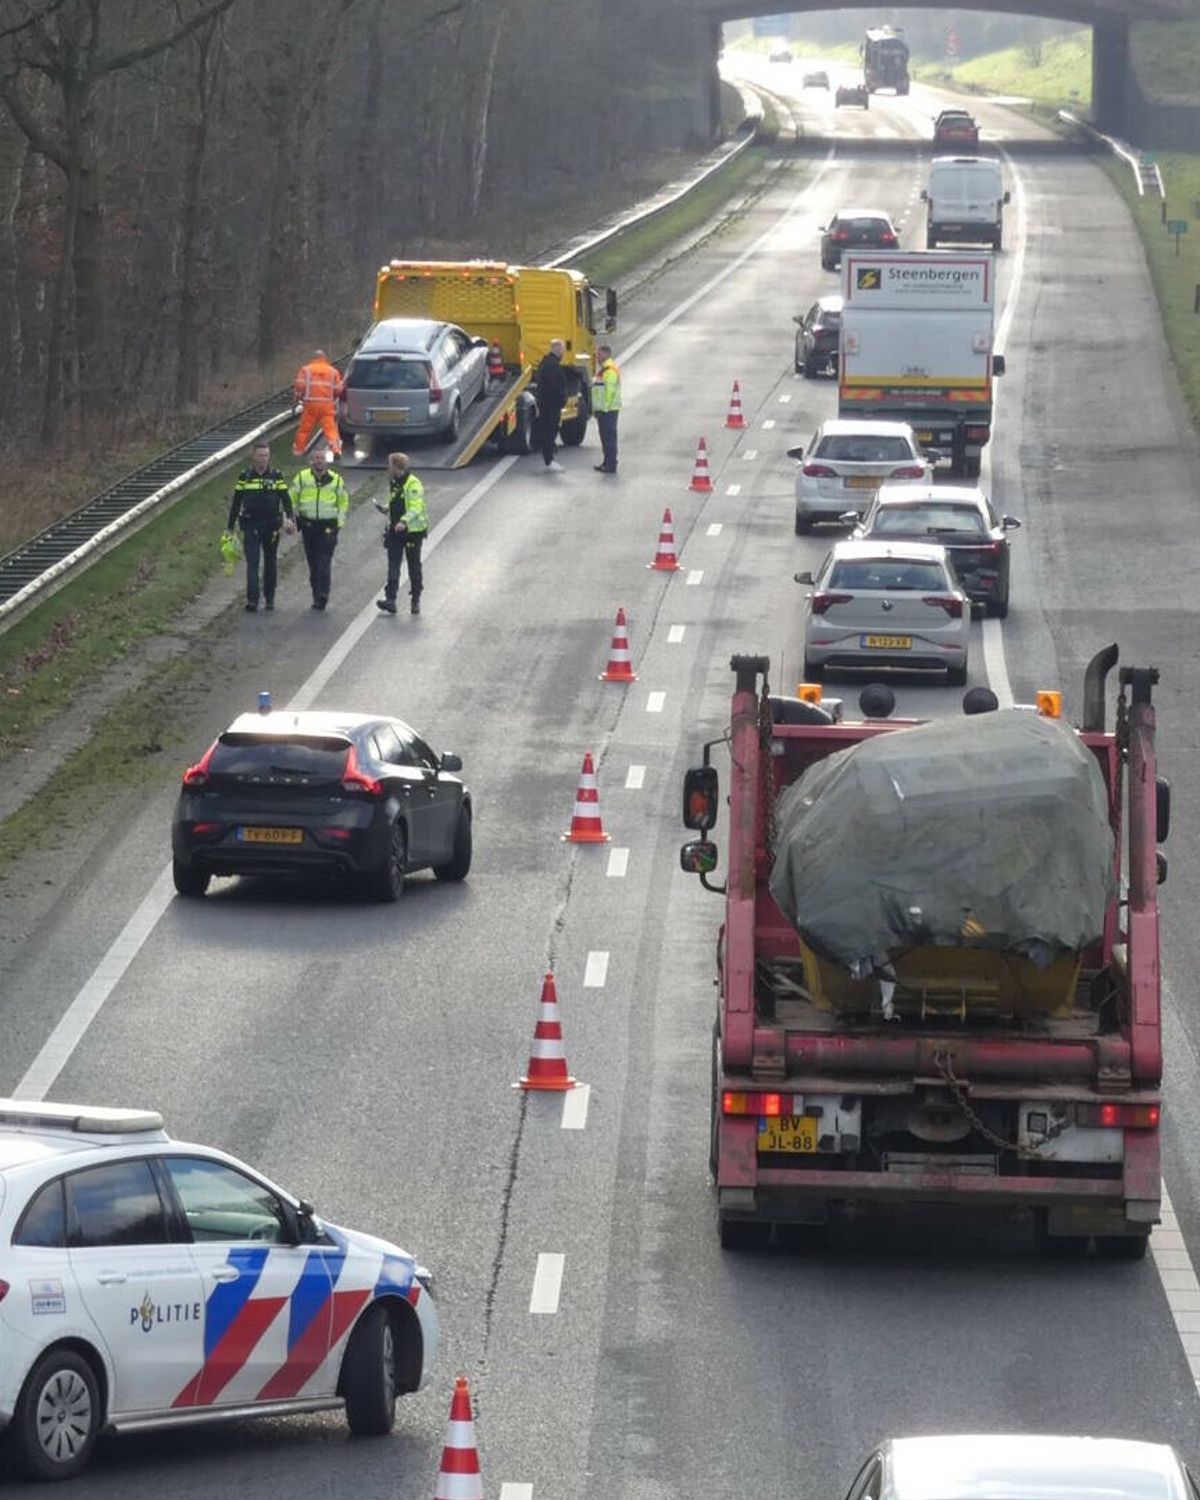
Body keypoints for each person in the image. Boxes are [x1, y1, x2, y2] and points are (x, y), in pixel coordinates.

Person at [226, 441, 294, 612]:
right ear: (253, 457)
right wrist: (230, 526)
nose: (263, 459)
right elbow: (236, 502)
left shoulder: (276, 476)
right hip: (251, 524)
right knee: (252, 563)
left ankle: (269, 598)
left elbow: (286, 499)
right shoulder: (245, 476)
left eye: (266, 456)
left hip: (272, 525)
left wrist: (290, 518)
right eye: (260, 456)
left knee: (270, 563)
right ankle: (252, 600)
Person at [290, 449, 348, 609]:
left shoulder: (336, 480)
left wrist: (339, 522)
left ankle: (323, 595)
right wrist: (290, 518)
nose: (320, 461)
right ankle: (316, 593)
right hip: (308, 526)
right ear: (311, 461)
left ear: (326, 461)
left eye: (322, 458)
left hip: (328, 526)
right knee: (313, 563)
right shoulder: (302, 478)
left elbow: (343, 502)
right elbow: (292, 498)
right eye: (317, 458)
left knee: (324, 561)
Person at [376, 452, 429, 616]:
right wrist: (386, 508)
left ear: (397, 467)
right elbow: (397, 502)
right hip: (395, 531)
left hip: (413, 532)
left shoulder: (413, 484)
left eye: (389, 465)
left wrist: (404, 521)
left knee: (414, 565)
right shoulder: (395, 482)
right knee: (393, 565)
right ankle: (390, 599)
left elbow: (415, 506)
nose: (388, 468)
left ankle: (415, 599)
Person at [292, 349, 344, 459]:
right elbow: (338, 390)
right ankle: (335, 449)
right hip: (327, 406)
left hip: (310, 405)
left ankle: (298, 451)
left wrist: (296, 402)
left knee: (304, 429)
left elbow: (299, 387)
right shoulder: (333, 371)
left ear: (313, 358)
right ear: (324, 358)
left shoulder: (306, 370)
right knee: (330, 429)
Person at [534, 338, 567, 471]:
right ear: (557, 349)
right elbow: (555, 387)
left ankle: (549, 458)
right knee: (550, 431)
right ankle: (549, 461)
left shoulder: (546, 363)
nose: (564, 352)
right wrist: (561, 400)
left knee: (549, 431)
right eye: (563, 349)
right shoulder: (552, 366)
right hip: (551, 405)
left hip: (546, 403)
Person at [591, 343, 621, 474]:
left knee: (609, 437)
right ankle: (607, 461)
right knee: (605, 437)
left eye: (599, 354)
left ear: (605, 354)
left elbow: (609, 391)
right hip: (604, 409)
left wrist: (604, 408)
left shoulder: (610, 370)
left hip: (608, 410)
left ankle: (611, 463)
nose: (597, 357)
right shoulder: (605, 369)